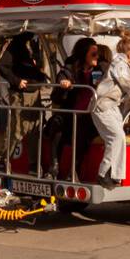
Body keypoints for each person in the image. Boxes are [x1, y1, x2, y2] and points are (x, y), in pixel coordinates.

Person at [91, 35, 130, 189]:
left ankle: (115, 176)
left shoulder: (122, 65)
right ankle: (103, 174)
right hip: (103, 107)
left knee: (117, 139)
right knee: (117, 137)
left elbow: (128, 94)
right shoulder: (120, 64)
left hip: (110, 107)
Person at [46, 37, 99, 177]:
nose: (97, 57)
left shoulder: (100, 68)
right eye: (93, 54)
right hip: (72, 111)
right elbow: (63, 75)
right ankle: (54, 167)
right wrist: (63, 82)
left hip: (91, 114)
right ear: (83, 54)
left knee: (81, 130)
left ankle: (73, 170)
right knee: (56, 124)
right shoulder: (72, 65)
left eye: (97, 54)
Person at [0, 33, 44, 167]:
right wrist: (16, 81)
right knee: (17, 130)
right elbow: (1, 66)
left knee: (34, 129)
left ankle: (33, 163)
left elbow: (33, 66)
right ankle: (3, 159)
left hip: (34, 92)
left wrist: (41, 77)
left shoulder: (34, 42)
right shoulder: (17, 44)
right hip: (21, 94)